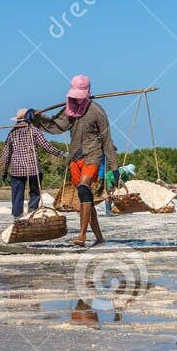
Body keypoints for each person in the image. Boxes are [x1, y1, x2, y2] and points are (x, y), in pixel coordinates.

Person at [35, 74, 118, 248]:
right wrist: (35, 118)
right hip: (74, 159)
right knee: (84, 199)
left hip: (92, 156)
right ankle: (100, 238)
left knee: (83, 188)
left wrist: (114, 167)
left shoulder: (97, 111)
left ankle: (81, 236)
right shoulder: (70, 109)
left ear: (87, 92)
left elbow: (107, 140)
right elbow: (56, 126)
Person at [0, 109, 65, 219]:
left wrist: (3, 171)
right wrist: (61, 154)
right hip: (33, 168)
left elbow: (6, 155)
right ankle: (32, 213)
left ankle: (17, 218)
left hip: (16, 169)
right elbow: (47, 147)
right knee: (35, 192)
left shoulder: (12, 133)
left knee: (17, 195)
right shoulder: (34, 131)